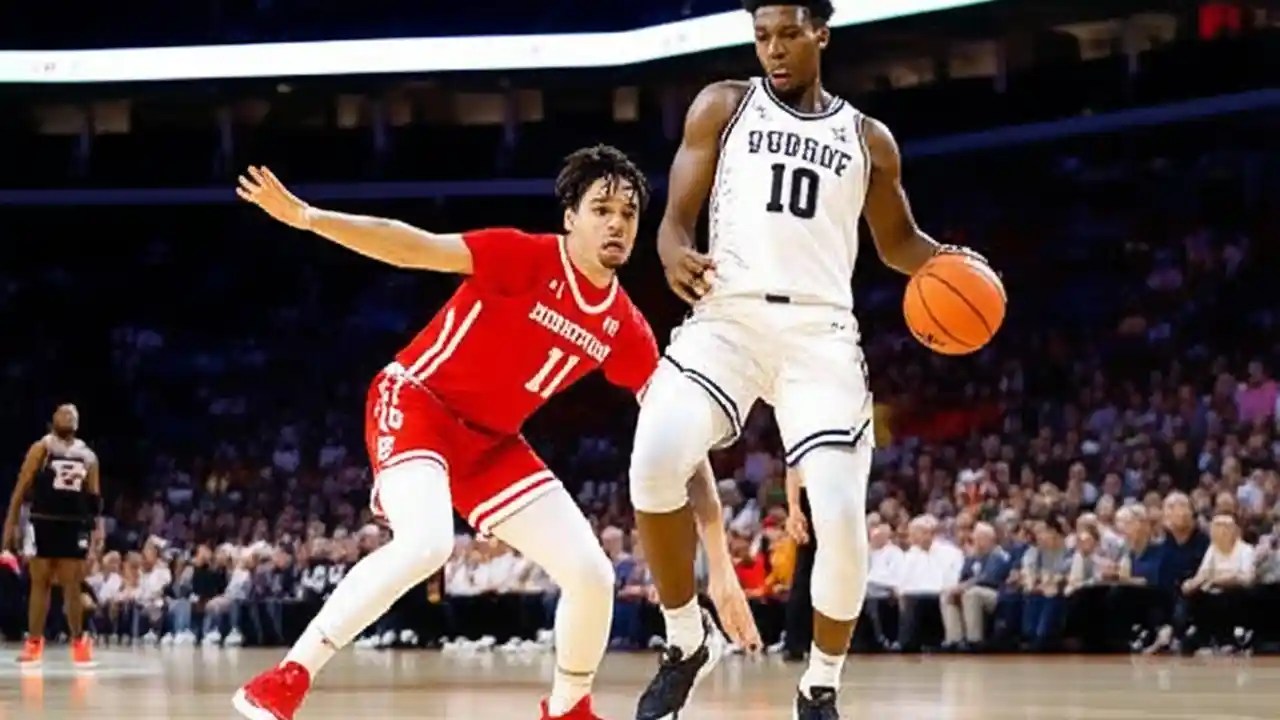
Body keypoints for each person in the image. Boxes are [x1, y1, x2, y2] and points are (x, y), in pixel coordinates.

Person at [230, 146, 756, 720]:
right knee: (427, 543)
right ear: (570, 218)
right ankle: (285, 678)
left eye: (628, 214)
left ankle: (567, 709)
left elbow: (677, 441)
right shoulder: (521, 256)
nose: (616, 223)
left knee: (591, 573)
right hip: (418, 404)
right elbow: (411, 245)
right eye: (601, 209)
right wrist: (309, 217)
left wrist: (720, 566)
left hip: (492, 444)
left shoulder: (625, 328)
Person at [626, 1, 991, 718]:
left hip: (820, 336)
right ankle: (683, 638)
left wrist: (956, 262)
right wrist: (670, 249)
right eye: (763, 37)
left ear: (821, 32)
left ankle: (819, 685)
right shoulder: (722, 107)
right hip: (727, 317)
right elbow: (674, 217)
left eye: (789, 34)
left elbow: (898, 243)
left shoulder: (868, 138)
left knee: (842, 525)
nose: (775, 50)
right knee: (654, 457)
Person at [3, 403, 102, 667]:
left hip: (74, 524)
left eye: (73, 413)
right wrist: (10, 528)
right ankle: (34, 642)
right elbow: (20, 489)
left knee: (73, 585)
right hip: (42, 522)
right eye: (63, 412)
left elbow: (94, 500)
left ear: (78, 423)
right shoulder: (42, 448)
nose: (68, 414)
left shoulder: (89, 456)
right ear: (53, 419)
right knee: (40, 582)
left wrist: (97, 535)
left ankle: (79, 642)